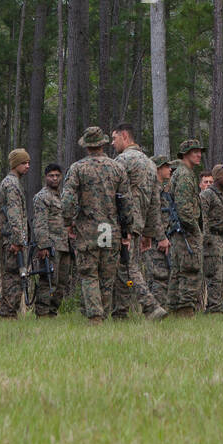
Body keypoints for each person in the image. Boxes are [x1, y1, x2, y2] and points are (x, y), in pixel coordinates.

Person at [61, 126, 132, 323]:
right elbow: (126, 202)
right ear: (102, 144)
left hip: (87, 230)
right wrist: (127, 230)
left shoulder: (77, 169)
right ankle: (103, 315)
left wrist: (68, 222)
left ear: (86, 146)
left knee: (89, 274)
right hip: (111, 229)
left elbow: (67, 201)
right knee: (107, 276)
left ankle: (95, 316)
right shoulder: (117, 168)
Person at [110, 123, 169, 321]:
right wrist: (150, 233)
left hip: (122, 223)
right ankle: (120, 312)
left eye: (114, 138)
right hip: (138, 224)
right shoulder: (151, 165)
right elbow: (154, 203)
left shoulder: (122, 160)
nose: (112, 143)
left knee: (128, 267)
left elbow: (112, 193)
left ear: (125, 136)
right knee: (124, 267)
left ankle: (150, 306)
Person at [167, 140, 205, 317]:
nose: (198, 155)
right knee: (190, 270)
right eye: (194, 152)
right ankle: (185, 311)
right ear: (185, 154)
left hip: (180, 230)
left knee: (178, 271)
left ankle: (175, 310)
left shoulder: (184, 173)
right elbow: (183, 208)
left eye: (199, 152)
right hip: (186, 231)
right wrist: (195, 228)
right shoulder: (184, 174)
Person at [31, 163, 71, 317]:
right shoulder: (42, 197)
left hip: (64, 245)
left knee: (62, 282)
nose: (55, 178)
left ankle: (53, 313)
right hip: (50, 246)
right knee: (48, 281)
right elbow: (39, 223)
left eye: (57, 175)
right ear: (46, 177)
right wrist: (43, 246)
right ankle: (42, 314)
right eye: (51, 176)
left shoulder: (63, 196)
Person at [0, 148, 30, 319]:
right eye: (24, 163)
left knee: (15, 277)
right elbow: (14, 214)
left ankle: (10, 313)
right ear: (15, 164)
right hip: (12, 242)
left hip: (12, 239)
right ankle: (8, 314)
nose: (28, 166)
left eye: (29, 162)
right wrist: (17, 240)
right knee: (13, 278)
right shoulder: (11, 185)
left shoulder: (12, 183)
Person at [200, 164, 223, 313]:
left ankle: (219, 305)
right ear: (219, 177)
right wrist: (206, 239)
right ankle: (214, 308)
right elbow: (202, 217)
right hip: (212, 239)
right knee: (214, 276)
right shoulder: (207, 195)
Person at [149, 156, 173, 307]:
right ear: (158, 169)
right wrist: (161, 237)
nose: (169, 169)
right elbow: (154, 216)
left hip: (163, 237)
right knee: (159, 275)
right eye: (165, 166)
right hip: (155, 240)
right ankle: (156, 308)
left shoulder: (162, 190)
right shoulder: (154, 190)